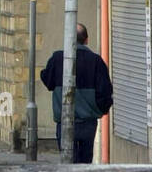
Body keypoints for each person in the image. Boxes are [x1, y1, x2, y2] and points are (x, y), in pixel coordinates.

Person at [40, 23, 112, 164]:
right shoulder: (96, 61)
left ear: (68, 39)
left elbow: (47, 80)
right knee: (84, 163)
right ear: (86, 40)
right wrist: (98, 111)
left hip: (64, 121)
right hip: (88, 122)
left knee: (68, 162)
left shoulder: (58, 58)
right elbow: (106, 92)